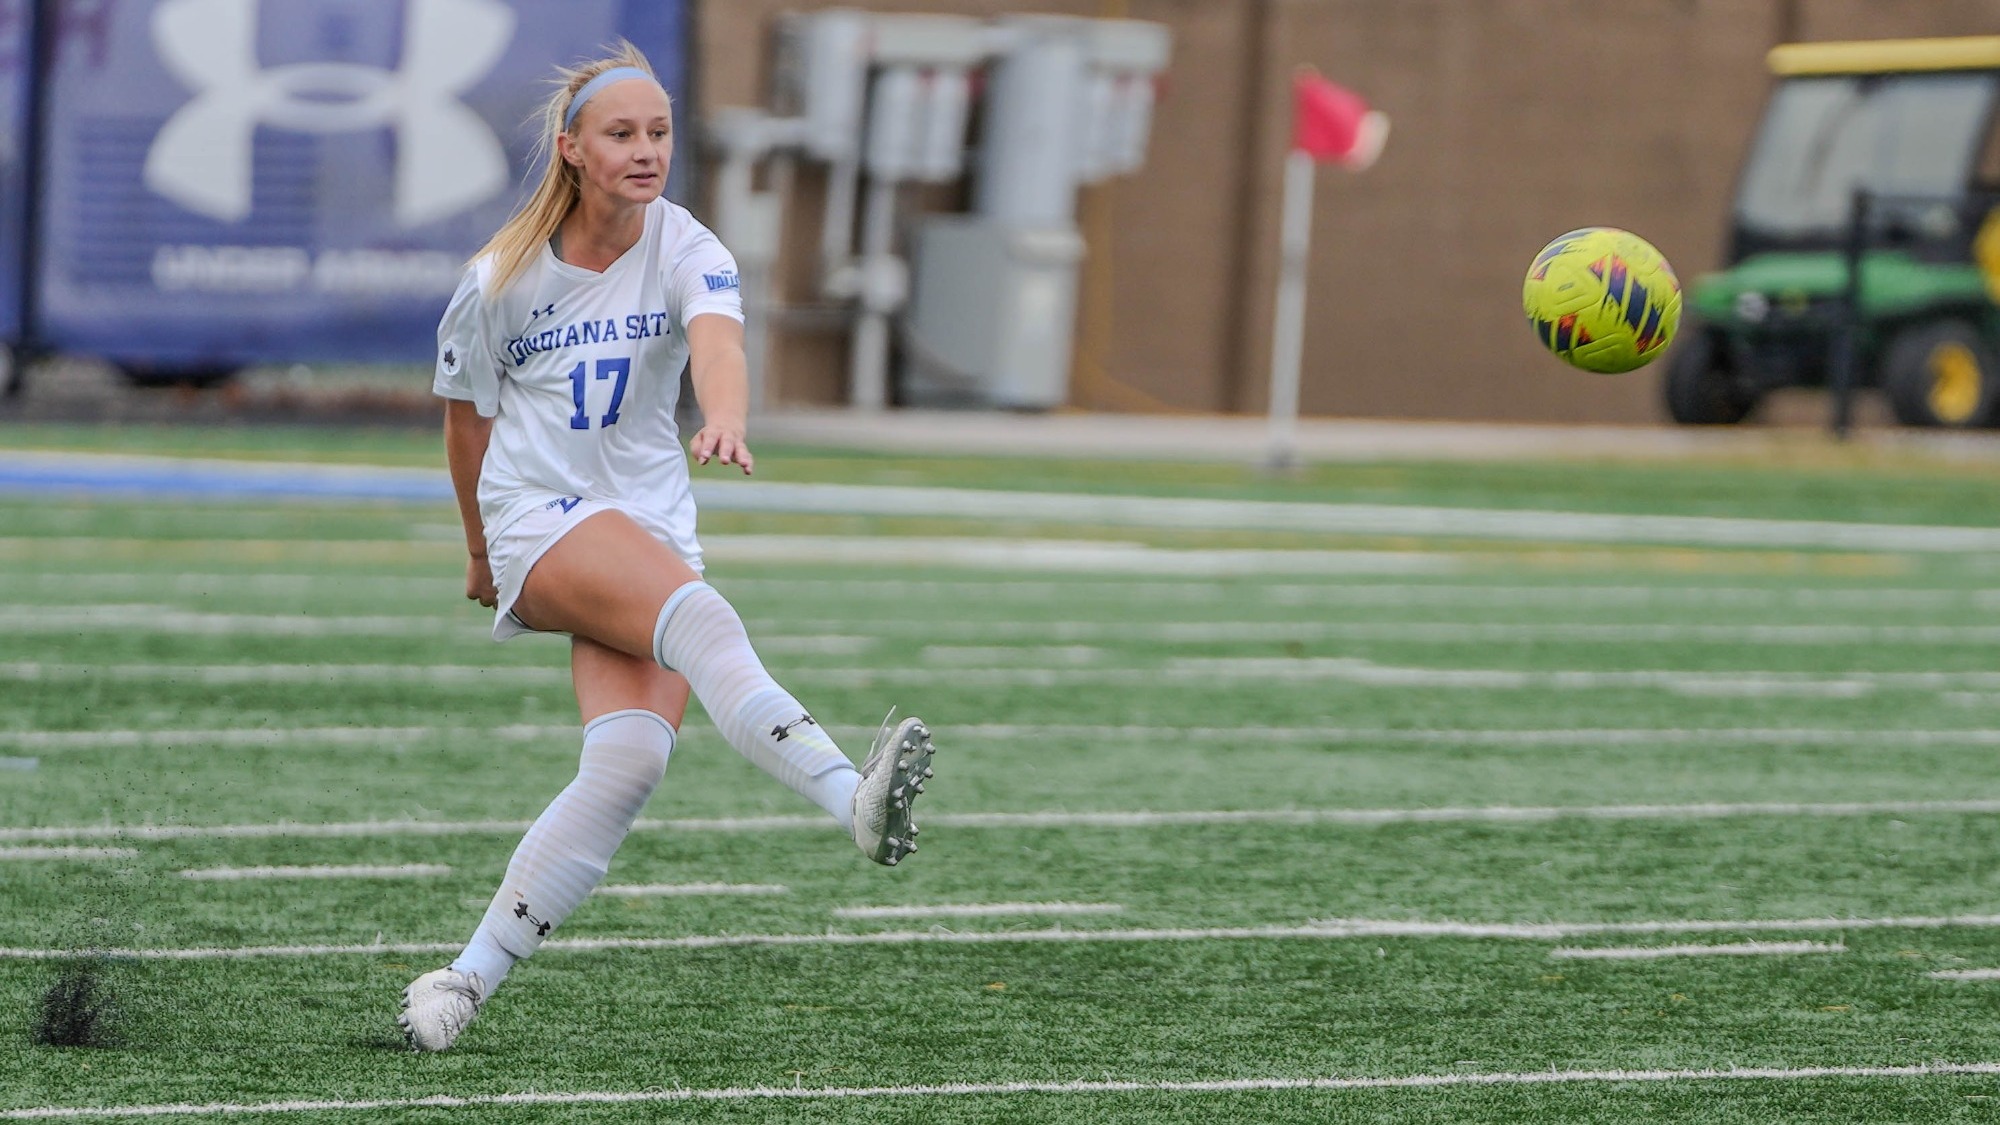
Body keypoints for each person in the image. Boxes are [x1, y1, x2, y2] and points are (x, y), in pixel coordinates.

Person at [399, 44, 935, 1053]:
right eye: (622, 133)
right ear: (572, 149)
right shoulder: (498, 279)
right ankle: (847, 797)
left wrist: (724, 417)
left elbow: (719, 343)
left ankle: (459, 982)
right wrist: (478, 552)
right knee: (702, 619)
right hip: (538, 515)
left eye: (658, 131)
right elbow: (466, 425)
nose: (647, 151)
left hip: (645, 525)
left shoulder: (685, 241)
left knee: (628, 763)